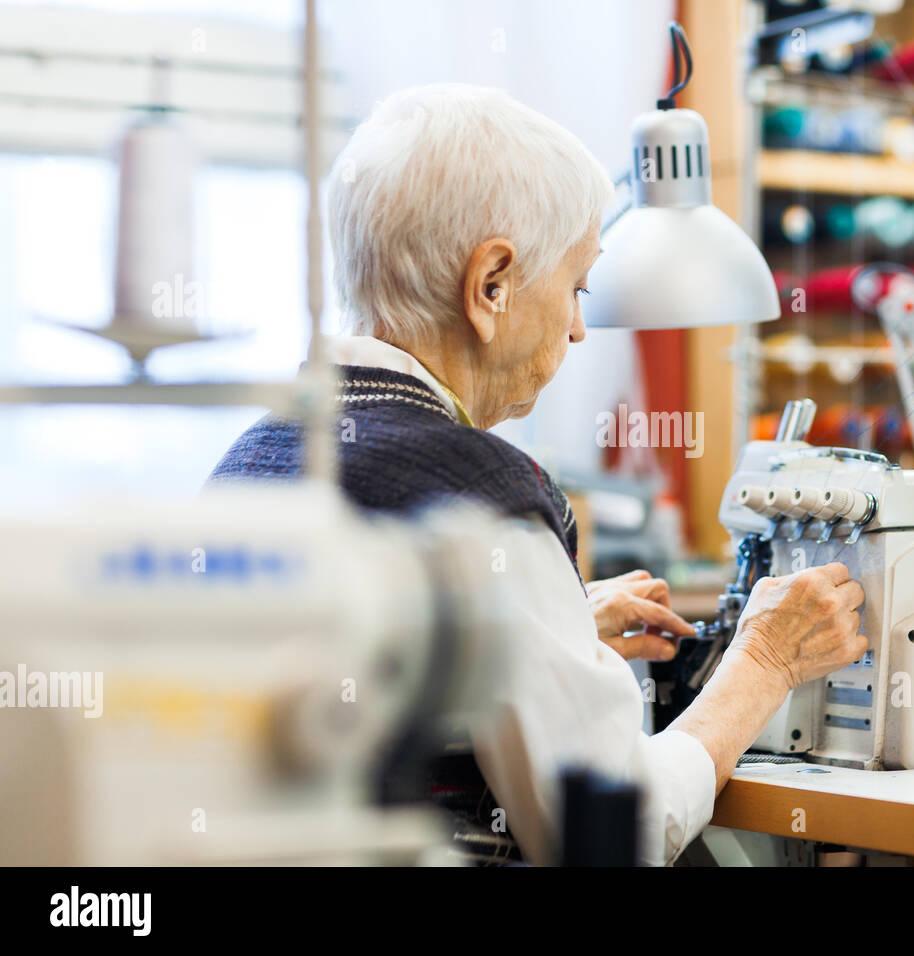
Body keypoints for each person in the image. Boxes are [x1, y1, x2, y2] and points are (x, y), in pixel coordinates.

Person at [210, 83, 867, 865]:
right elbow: (612, 833)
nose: (581, 326)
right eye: (577, 285)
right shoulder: (477, 493)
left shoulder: (257, 455)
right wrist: (763, 664)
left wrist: (531, 630)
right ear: (491, 285)